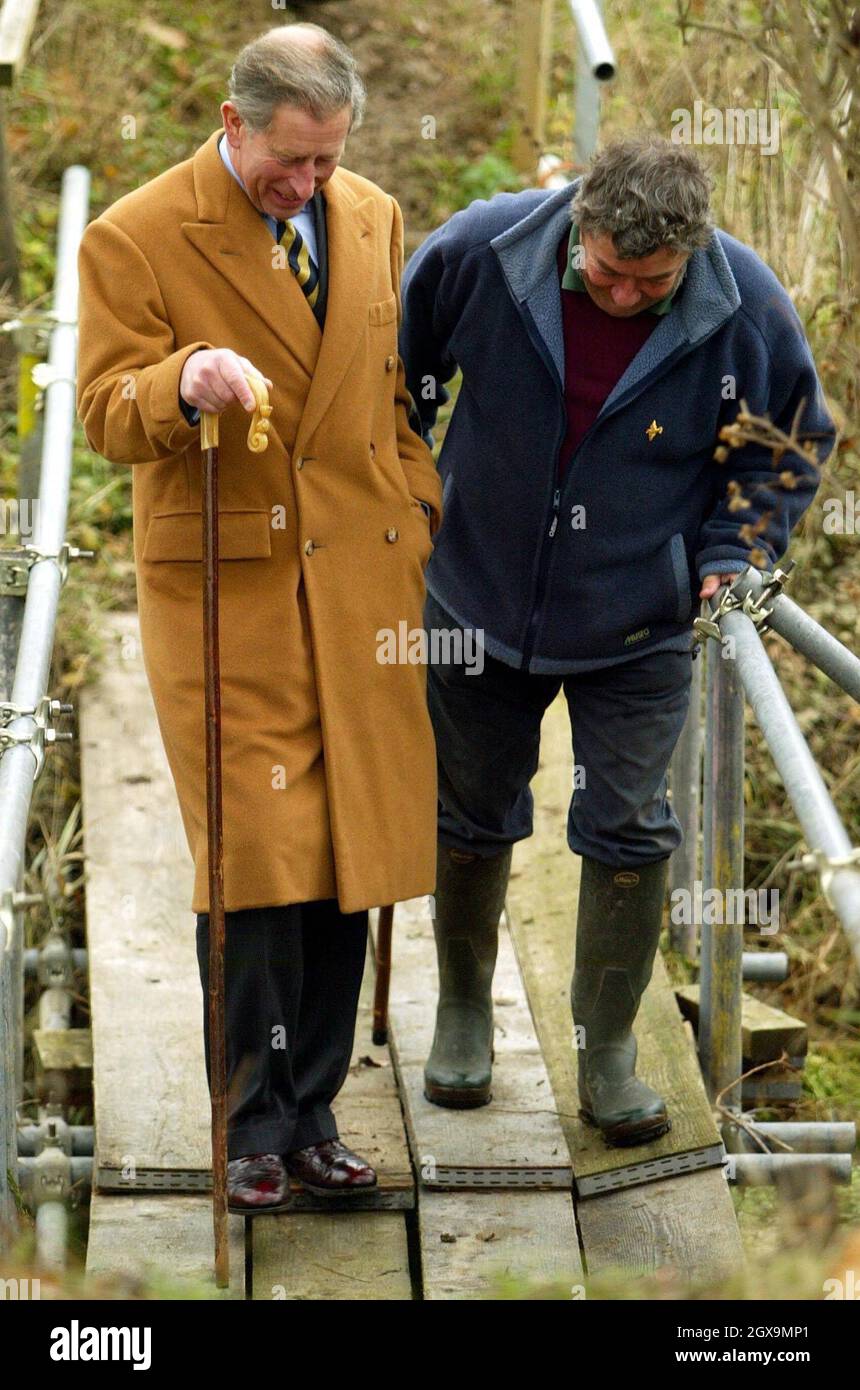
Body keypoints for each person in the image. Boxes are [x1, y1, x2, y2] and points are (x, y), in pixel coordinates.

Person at [399, 134, 834, 1147]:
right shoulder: (483, 249)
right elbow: (396, 371)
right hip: (474, 591)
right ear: (575, 218)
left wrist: (734, 544)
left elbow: (791, 436)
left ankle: (603, 1046)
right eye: (605, 271)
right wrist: (402, 490)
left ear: (691, 249)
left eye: (653, 280)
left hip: (638, 617)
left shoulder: (741, 304)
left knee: (632, 826)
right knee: (469, 806)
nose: (627, 295)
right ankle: (463, 1009)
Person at [76, 23, 441, 1210]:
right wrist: (178, 382)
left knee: (350, 851)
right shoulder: (136, 233)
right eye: (290, 163)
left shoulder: (373, 216)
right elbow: (103, 411)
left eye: (328, 160)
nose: (309, 185)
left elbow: (388, 392)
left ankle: (320, 1113)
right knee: (255, 855)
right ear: (232, 124)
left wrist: (415, 501)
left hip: (363, 581)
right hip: (232, 586)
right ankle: (249, 1123)